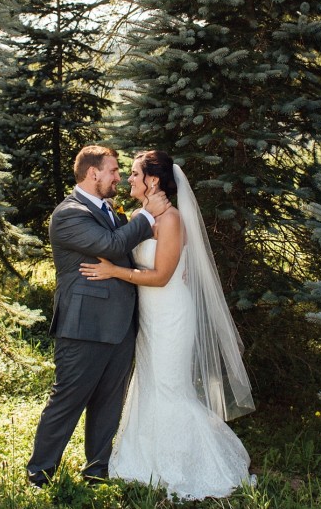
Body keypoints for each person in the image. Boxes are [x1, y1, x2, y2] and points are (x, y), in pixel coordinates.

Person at [80, 150, 255, 499]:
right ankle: (147, 459)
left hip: (172, 314)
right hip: (149, 316)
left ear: (153, 180)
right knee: (150, 383)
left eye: (134, 173)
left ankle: (185, 463)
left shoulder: (172, 220)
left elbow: (161, 276)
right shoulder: (138, 216)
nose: (128, 179)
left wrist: (114, 272)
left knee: (171, 387)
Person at [26, 145, 169, 488]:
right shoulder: (69, 214)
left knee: (109, 402)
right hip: (84, 325)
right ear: (93, 173)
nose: (119, 177)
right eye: (114, 171)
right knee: (68, 399)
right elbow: (111, 246)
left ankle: (97, 470)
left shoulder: (111, 211)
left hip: (121, 325)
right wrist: (147, 216)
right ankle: (39, 474)